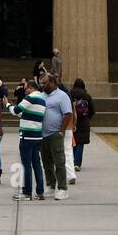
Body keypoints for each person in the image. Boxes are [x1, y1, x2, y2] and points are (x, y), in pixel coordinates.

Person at [9, 81, 47, 200]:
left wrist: (7, 105)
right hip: (37, 135)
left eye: (26, 89)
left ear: (31, 88)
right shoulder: (42, 100)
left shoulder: (30, 98)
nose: (25, 91)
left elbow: (16, 111)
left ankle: (27, 192)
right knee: (37, 164)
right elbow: (27, 114)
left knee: (26, 165)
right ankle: (40, 192)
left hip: (27, 135)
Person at [38, 71, 74, 199]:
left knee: (59, 161)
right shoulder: (41, 96)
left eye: (45, 83)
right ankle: (51, 185)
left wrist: (61, 130)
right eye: (41, 84)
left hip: (55, 134)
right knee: (46, 162)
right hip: (42, 134)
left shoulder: (62, 96)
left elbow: (68, 114)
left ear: (52, 82)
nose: (42, 86)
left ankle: (63, 188)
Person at [69, 78, 95, 172]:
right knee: (80, 143)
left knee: (73, 142)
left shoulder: (69, 94)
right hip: (84, 121)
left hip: (72, 121)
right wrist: (87, 117)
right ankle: (77, 163)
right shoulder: (86, 96)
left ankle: (72, 162)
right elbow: (92, 110)